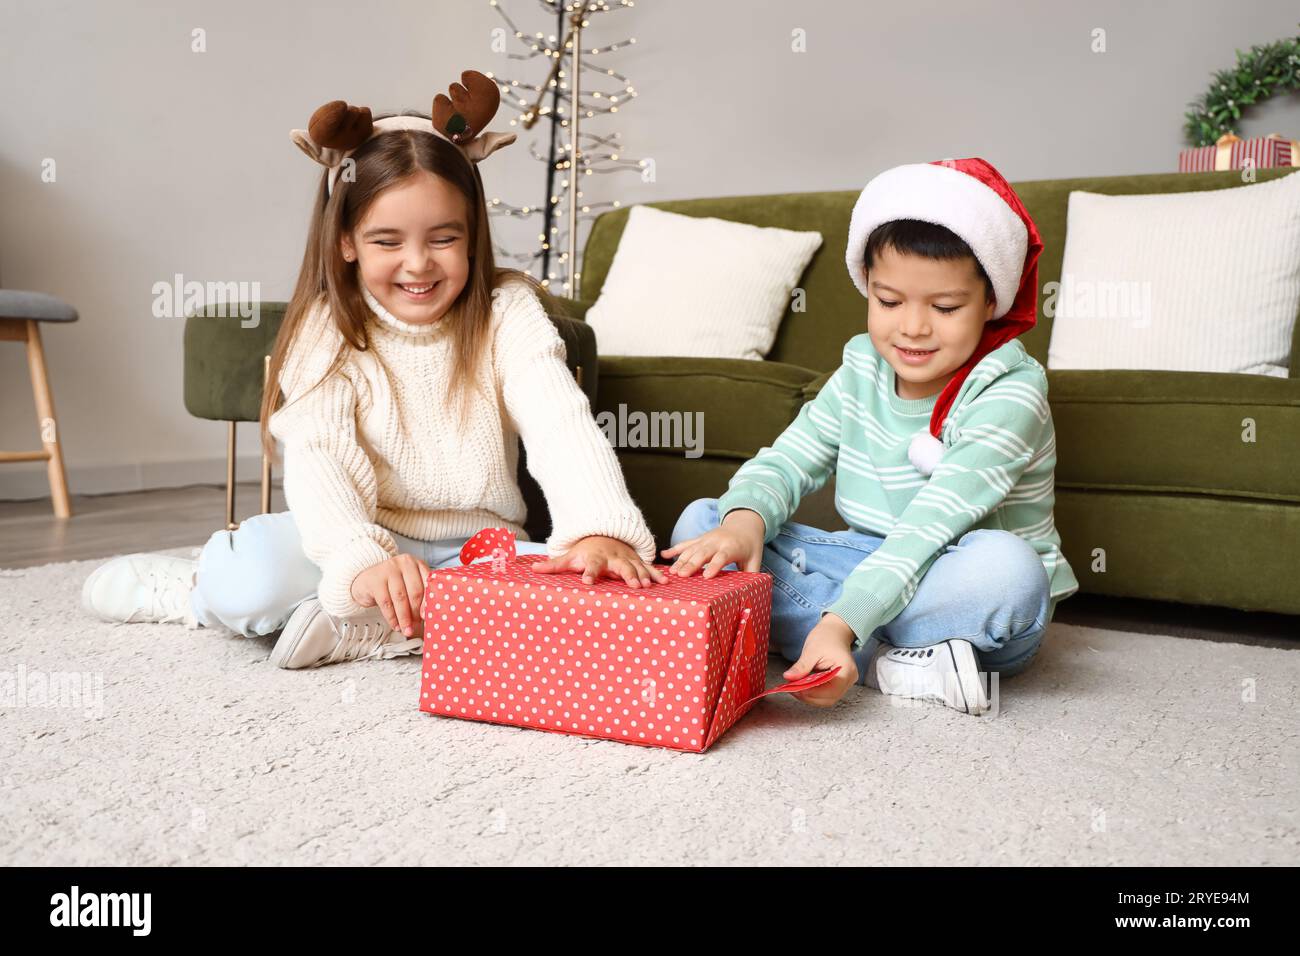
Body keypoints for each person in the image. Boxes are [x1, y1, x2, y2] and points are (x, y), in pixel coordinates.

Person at [82, 71, 665, 668]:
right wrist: (361, 560)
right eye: (387, 241)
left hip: (480, 549)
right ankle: (196, 592)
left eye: (443, 238)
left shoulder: (508, 312)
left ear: (471, 237)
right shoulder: (325, 328)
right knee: (252, 577)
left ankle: (370, 630)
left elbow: (559, 422)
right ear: (345, 241)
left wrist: (599, 526)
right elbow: (320, 457)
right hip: (363, 535)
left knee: (578, 601)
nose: (418, 264)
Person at [665, 158, 1079, 715]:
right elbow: (788, 460)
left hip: (953, 573)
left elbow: (926, 530)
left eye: (946, 307)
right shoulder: (861, 370)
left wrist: (841, 625)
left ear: (990, 303)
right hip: (871, 560)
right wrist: (743, 525)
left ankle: (836, 643)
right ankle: (901, 662)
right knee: (704, 523)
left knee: (1010, 571)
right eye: (888, 302)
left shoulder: (1009, 393)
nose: (912, 328)